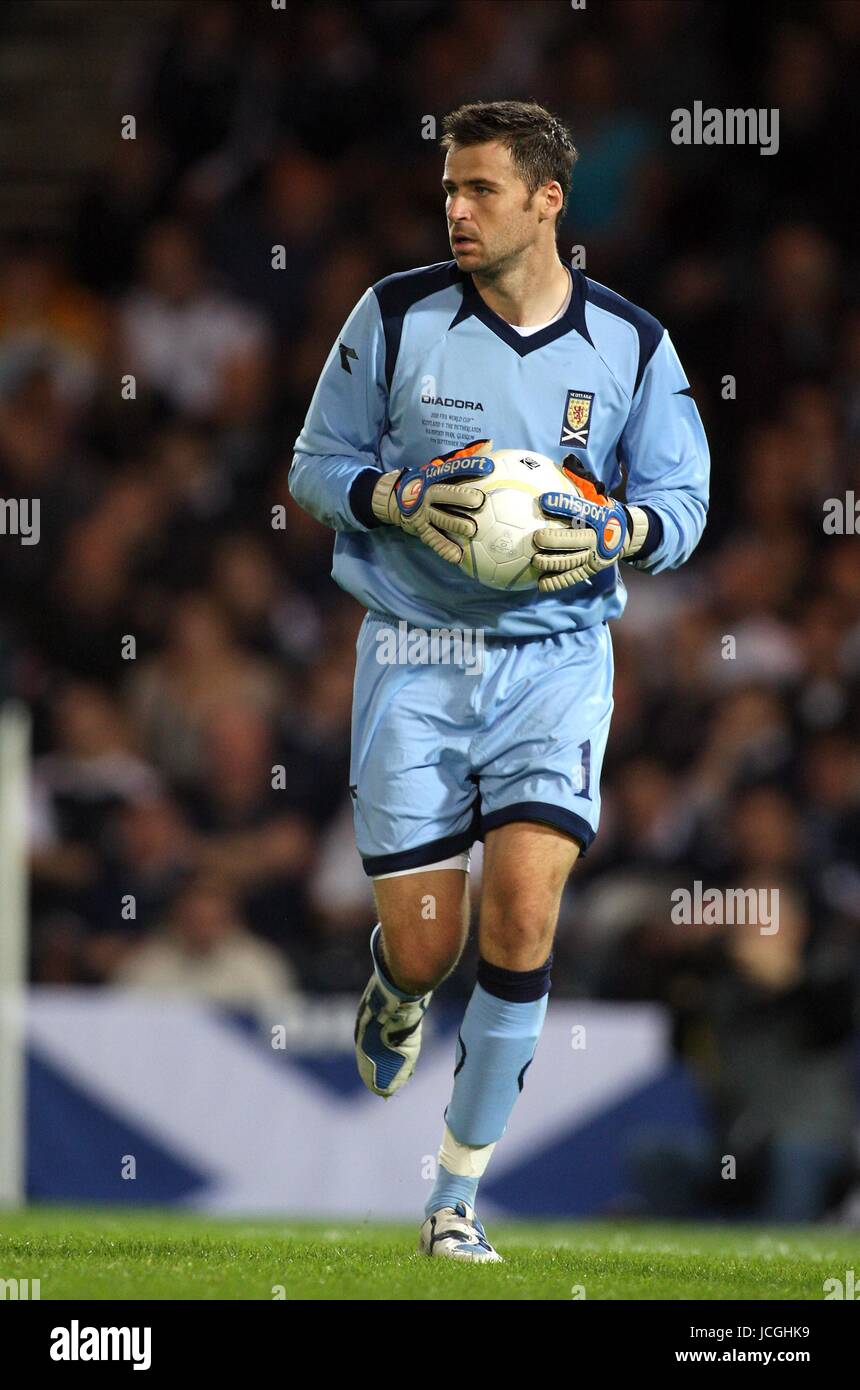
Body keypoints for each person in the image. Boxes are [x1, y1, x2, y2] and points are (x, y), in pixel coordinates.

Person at [289, 100, 709, 1260]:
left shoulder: (628, 343)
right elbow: (315, 464)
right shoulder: (392, 315)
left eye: (478, 190)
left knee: (523, 909)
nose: (456, 210)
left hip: (555, 658)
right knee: (429, 944)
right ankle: (393, 986)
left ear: (546, 201)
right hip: (414, 656)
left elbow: (681, 502)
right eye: (446, 191)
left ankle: (454, 1201)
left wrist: (620, 528)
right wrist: (397, 498)